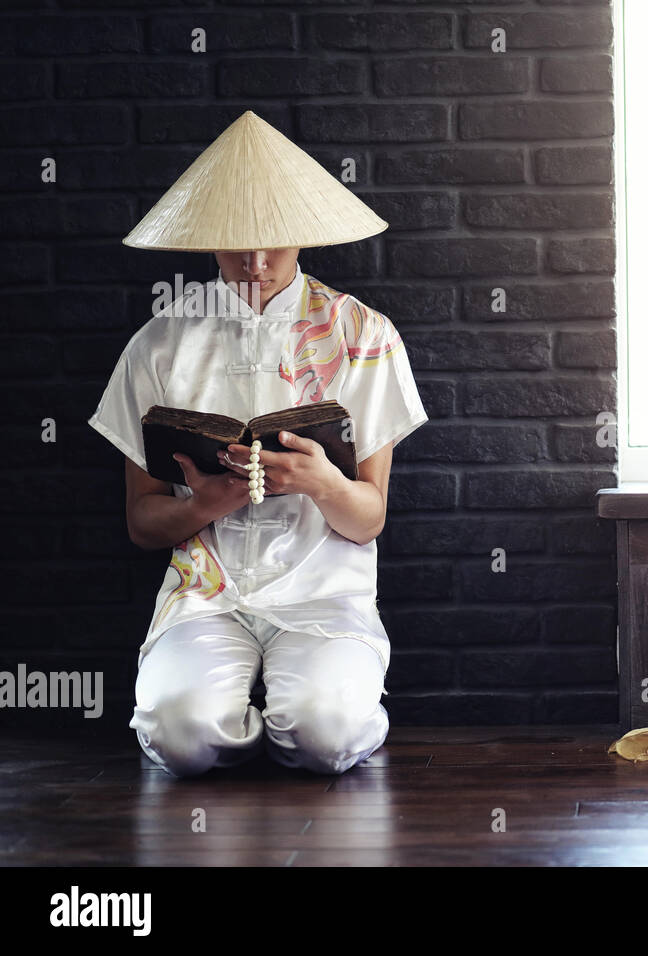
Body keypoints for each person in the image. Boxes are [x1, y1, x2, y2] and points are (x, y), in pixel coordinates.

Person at [87, 112, 428, 777]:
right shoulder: (158, 345)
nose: (257, 263)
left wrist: (325, 483)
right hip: (206, 588)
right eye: (236, 244)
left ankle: (300, 721)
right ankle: (239, 729)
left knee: (328, 734)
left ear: (302, 232)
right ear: (208, 240)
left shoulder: (364, 336)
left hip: (324, 588)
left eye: (273, 241)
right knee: (179, 735)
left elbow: (370, 517)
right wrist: (202, 505)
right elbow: (142, 522)